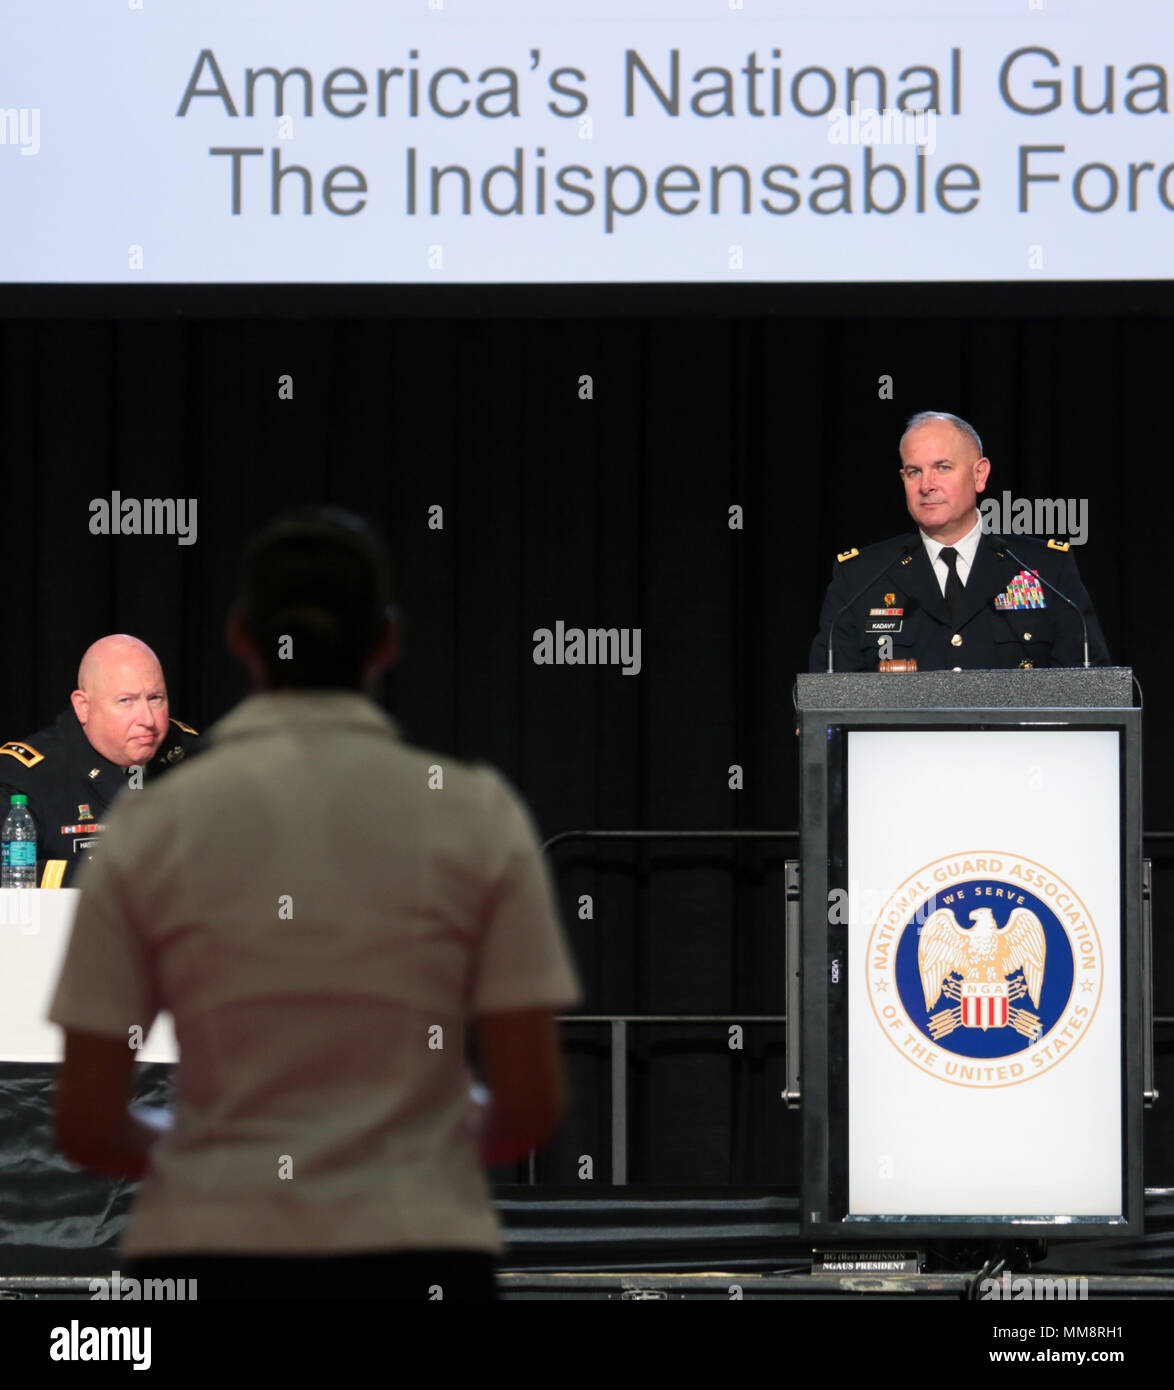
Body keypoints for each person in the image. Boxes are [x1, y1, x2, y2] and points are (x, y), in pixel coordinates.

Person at [48, 507, 580, 1301]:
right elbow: (531, 1108)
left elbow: (87, 1121)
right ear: (388, 640)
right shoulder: (475, 813)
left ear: (239, 636)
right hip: (415, 1243)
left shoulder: (149, 825)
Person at [809, 411, 1111, 672]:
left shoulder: (1044, 567)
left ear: (980, 475)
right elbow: (825, 700)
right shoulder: (861, 575)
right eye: (914, 472)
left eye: (943, 467)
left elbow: (1090, 686)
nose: (926, 485)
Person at [0, 636, 201, 887]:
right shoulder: (27, 776)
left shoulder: (190, 754)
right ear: (83, 706)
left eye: (155, 698)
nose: (147, 719)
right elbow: (12, 876)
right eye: (126, 701)